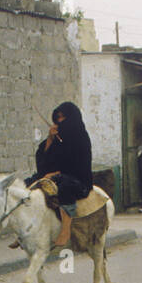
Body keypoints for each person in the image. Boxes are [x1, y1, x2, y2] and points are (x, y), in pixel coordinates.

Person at [28, 101, 93, 248]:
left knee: (65, 186)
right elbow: (43, 159)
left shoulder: (81, 137)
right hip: (55, 177)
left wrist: (58, 173)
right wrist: (50, 139)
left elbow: (78, 163)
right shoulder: (56, 138)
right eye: (57, 118)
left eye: (63, 117)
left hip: (78, 180)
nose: (60, 121)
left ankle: (65, 230)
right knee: (28, 183)